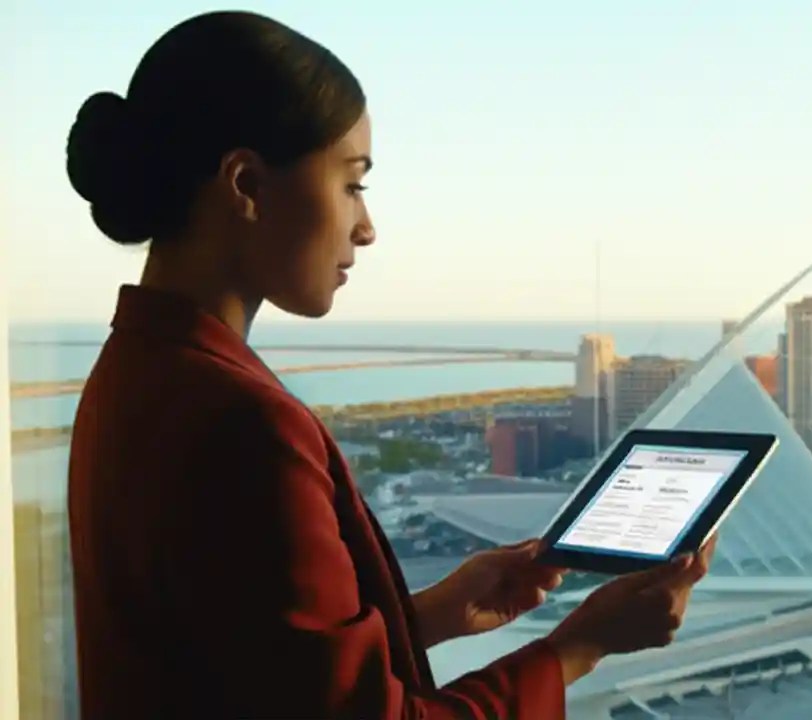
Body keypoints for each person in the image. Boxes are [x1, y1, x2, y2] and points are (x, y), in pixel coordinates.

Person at [64, 11, 714, 719]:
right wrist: (582, 645)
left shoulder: (134, 371)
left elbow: (239, 659)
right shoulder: (243, 424)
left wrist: (423, 616)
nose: (367, 228)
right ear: (246, 184)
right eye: (352, 185)